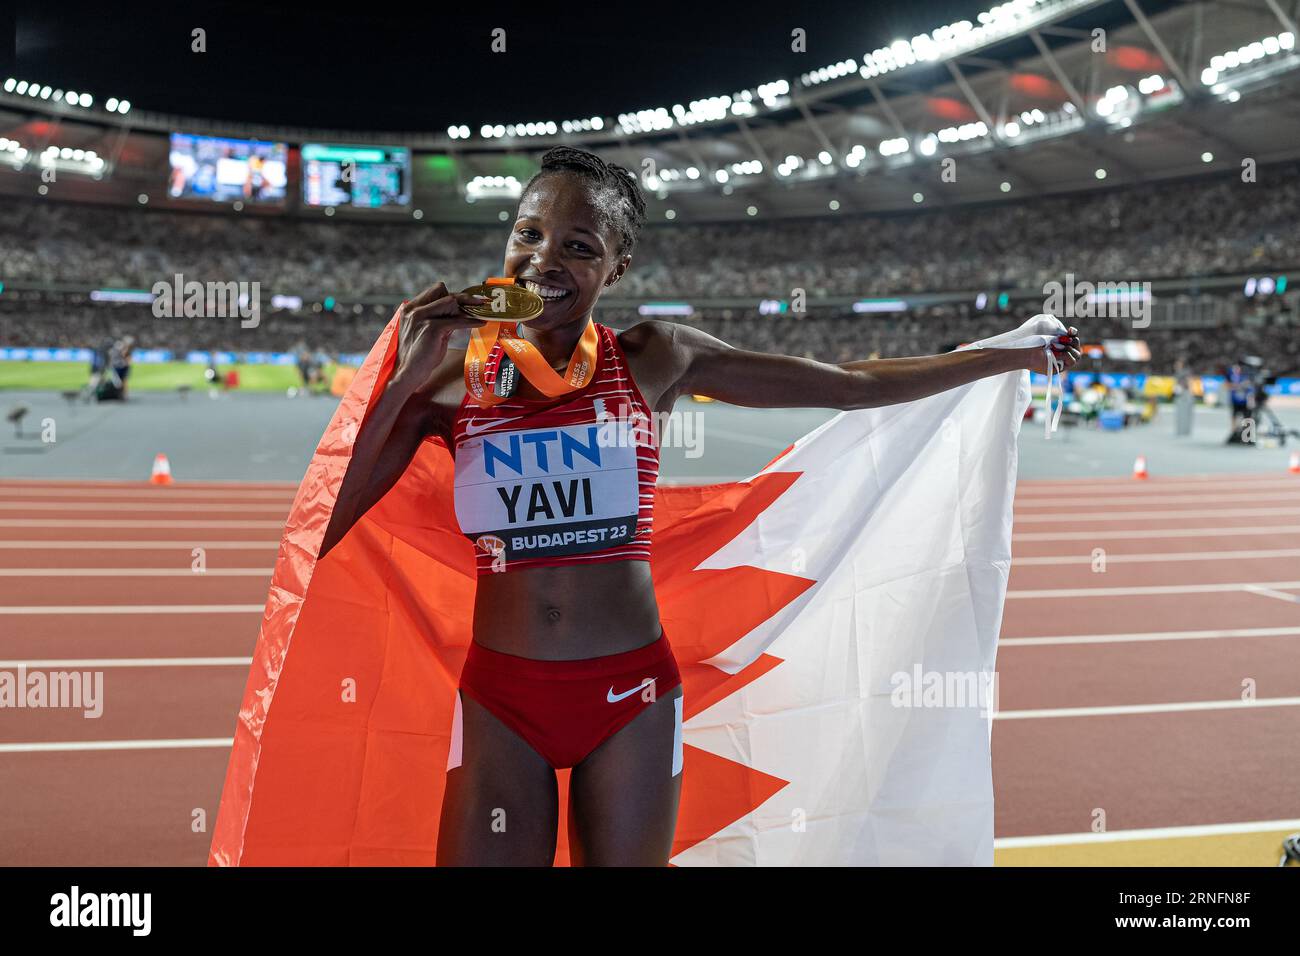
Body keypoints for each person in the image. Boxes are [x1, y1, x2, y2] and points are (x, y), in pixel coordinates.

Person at [317, 146, 1081, 866]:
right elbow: (321, 529)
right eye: (528, 233)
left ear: (617, 265)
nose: (544, 260)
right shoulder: (450, 384)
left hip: (632, 698)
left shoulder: (656, 358)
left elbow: (849, 385)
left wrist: (1007, 354)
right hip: (500, 697)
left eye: (579, 246)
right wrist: (402, 384)